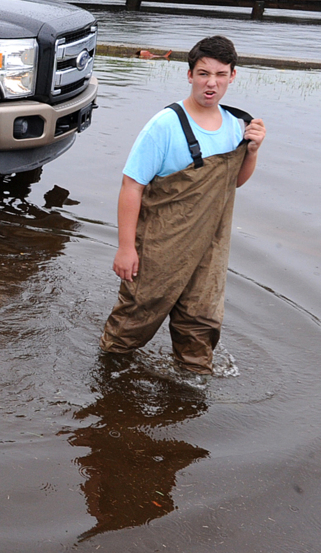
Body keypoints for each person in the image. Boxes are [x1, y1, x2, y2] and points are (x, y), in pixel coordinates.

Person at [101, 35, 267, 374]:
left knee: (200, 325)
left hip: (210, 248)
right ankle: (107, 376)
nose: (211, 83)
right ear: (190, 75)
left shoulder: (236, 126)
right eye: (203, 73)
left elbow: (233, 182)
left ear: (233, 76)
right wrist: (126, 248)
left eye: (220, 75)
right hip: (161, 245)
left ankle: (192, 392)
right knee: (134, 320)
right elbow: (132, 185)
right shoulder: (164, 125)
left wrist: (252, 152)